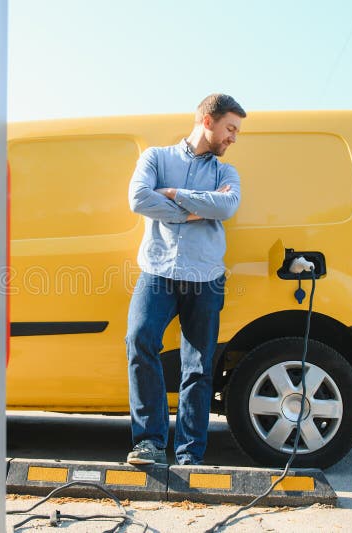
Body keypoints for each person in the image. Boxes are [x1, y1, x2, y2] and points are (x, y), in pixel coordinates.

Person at [125, 93, 245, 466]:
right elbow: (139, 199)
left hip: (205, 277)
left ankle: (190, 454)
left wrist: (174, 195)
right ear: (208, 121)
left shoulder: (226, 173)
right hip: (157, 271)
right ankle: (149, 442)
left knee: (198, 365)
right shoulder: (156, 158)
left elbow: (227, 205)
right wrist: (196, 210)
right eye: (230, 128)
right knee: (139, 341)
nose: (233, 138)